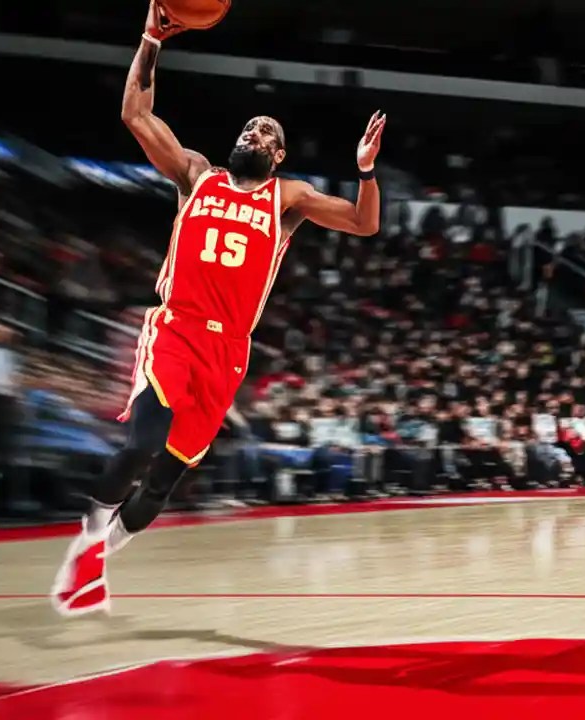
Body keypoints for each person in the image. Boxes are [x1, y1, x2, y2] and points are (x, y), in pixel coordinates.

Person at [50, 0, 387, 616]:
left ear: (278, 156)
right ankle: (88, 542)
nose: (252, 134)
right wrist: (152, 39)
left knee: (163, 483)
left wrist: (365, 172)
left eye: (266, 133)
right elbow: (135, 114)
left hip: (228, 349)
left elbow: (364, 224)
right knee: (143, 444)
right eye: (249, 128)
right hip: (175, 328)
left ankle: (101, 557)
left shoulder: (288, 198)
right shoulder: (196, 175)